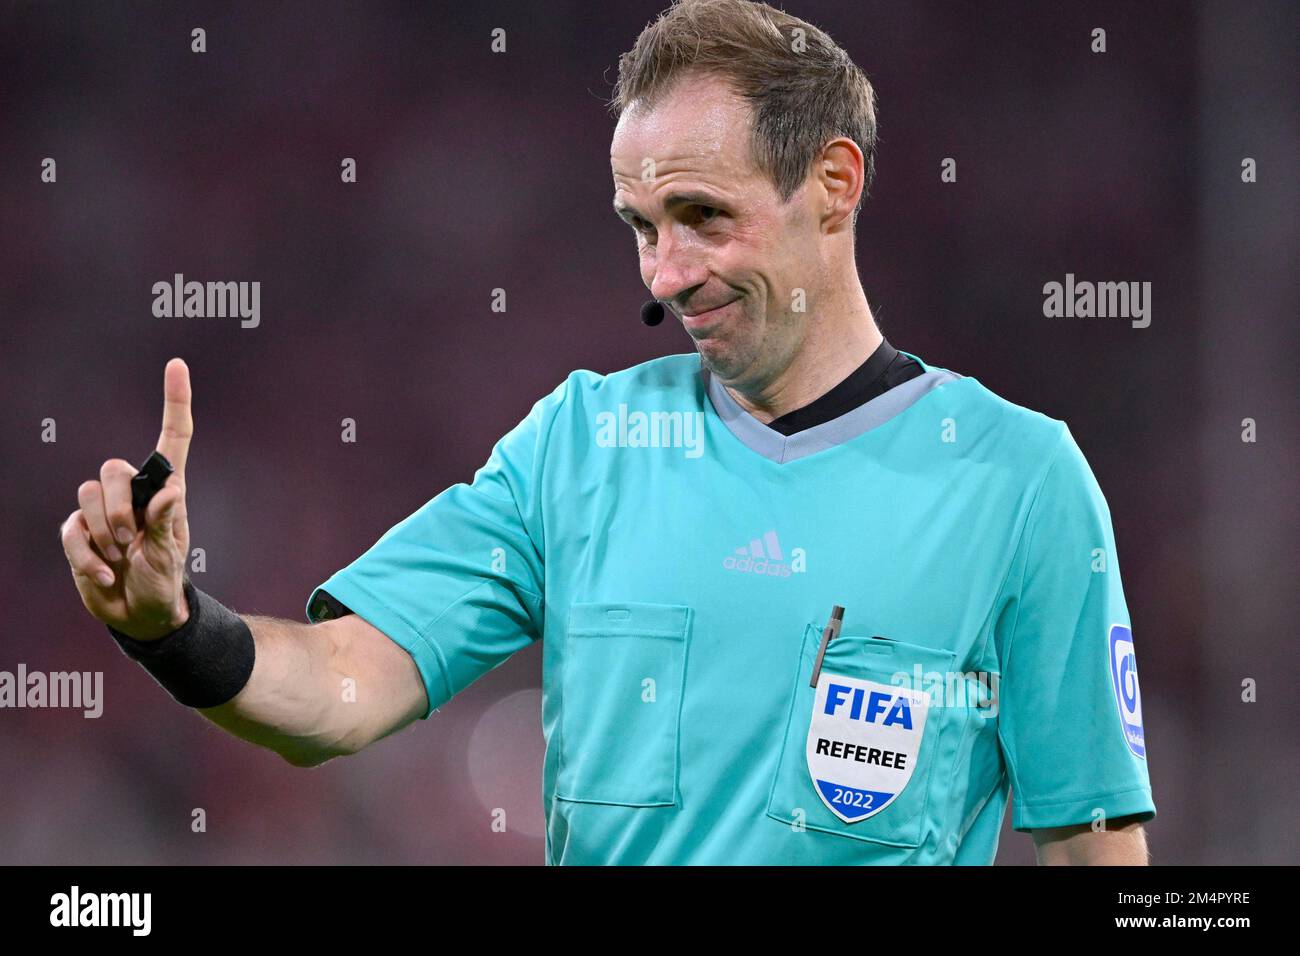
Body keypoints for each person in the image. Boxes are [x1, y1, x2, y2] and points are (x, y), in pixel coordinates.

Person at [60, 0, 1154, 865]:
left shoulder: (1019, 482)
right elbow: (339, 690)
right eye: (641, 226)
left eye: (701, 218)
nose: (664, 273)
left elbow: (1094, 843)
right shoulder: (578, 445)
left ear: (831, 184)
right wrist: (172, 627)